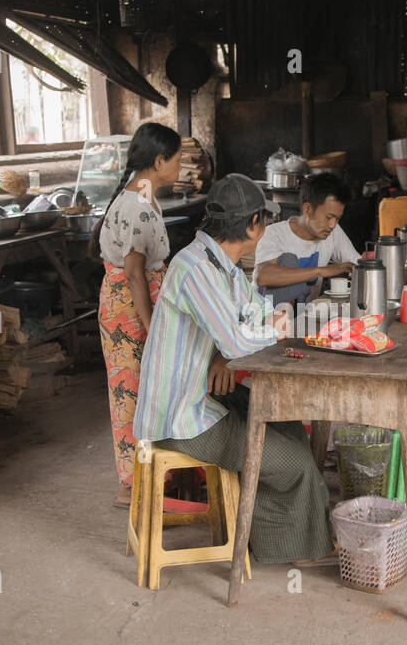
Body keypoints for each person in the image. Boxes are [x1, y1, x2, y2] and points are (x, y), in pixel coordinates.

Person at [132, 174, 336, 565]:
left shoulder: (219, 263)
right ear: (252, 225)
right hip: (180, 419)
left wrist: (271, 317)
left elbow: (253, 309)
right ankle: (297, 548)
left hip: (199, 398)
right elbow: (237, 341)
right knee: (291, 462)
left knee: (287, 426)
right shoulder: (195, 269)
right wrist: (271, 328)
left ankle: (285, 536)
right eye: (264, 219)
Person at [91, 122, 183, 508]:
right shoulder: (137, 206)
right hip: (130, 307)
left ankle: (148, 473)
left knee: (144, 387)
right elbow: (133, 273)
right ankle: (130, 485)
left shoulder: (143, 196)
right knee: (130, 391)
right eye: (177, 161)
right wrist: (150, 325)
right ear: (159, 161)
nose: (181, 168)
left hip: (132, 301)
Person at [253, 173, 359, 306]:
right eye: (328, 217)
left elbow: (357, 264)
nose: (333, 225)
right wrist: (321, 270)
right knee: (288, 259)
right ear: (308, 209)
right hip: (266, 317)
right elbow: (262, 277)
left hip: (304, 316)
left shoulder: (333, 232)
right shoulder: (275, 233)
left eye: (337, 219)